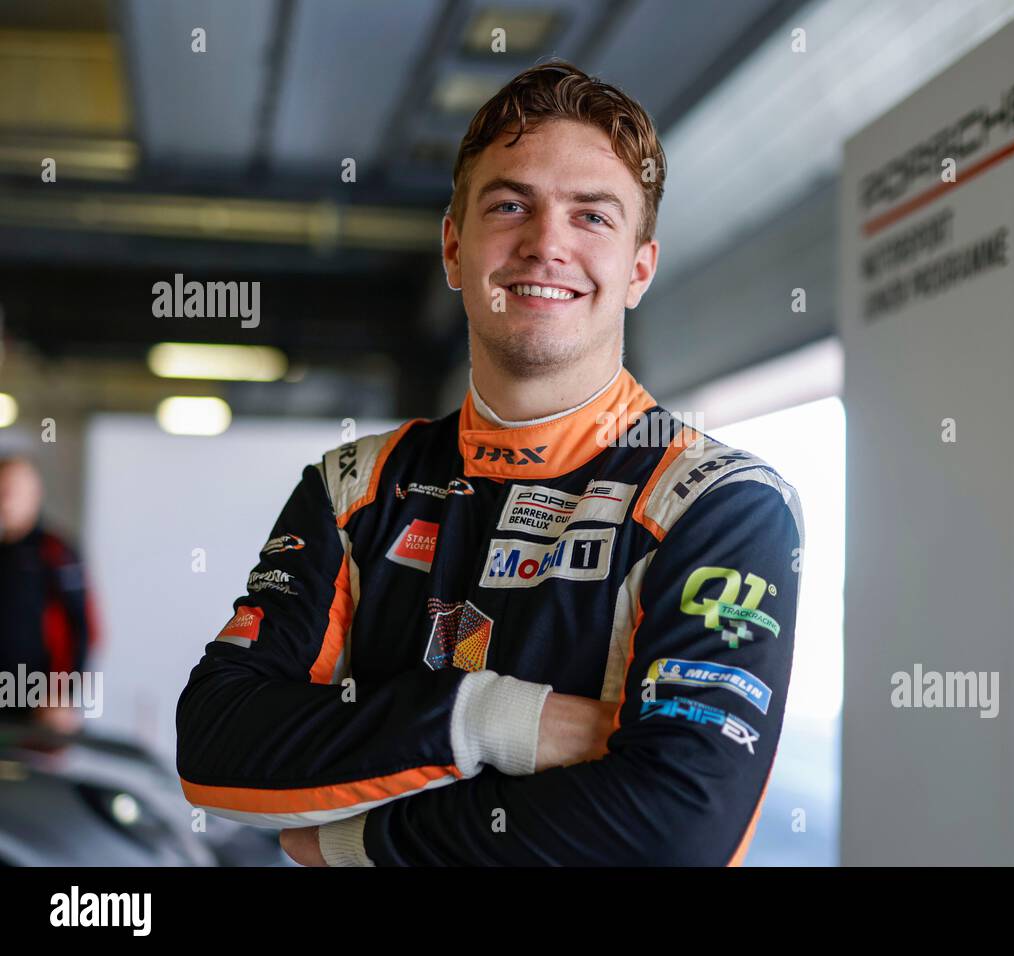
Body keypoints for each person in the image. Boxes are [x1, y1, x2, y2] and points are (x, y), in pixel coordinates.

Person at [174, 60, 805, 866]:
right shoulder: (353, 487)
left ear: (639, 269)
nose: (547, 243)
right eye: (511, 205)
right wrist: (495, 720)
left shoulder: (720, 504)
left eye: (593, 218)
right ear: (453, 246)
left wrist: (356, 839)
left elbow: (677, 830)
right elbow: (218, 742)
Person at [0, 456, 99, 735]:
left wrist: (62, 694)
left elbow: (86, 628)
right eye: (2, 489)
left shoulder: (55, 551)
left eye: (13, 490)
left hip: (39, 704)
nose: (6, 499)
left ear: (34, 494)